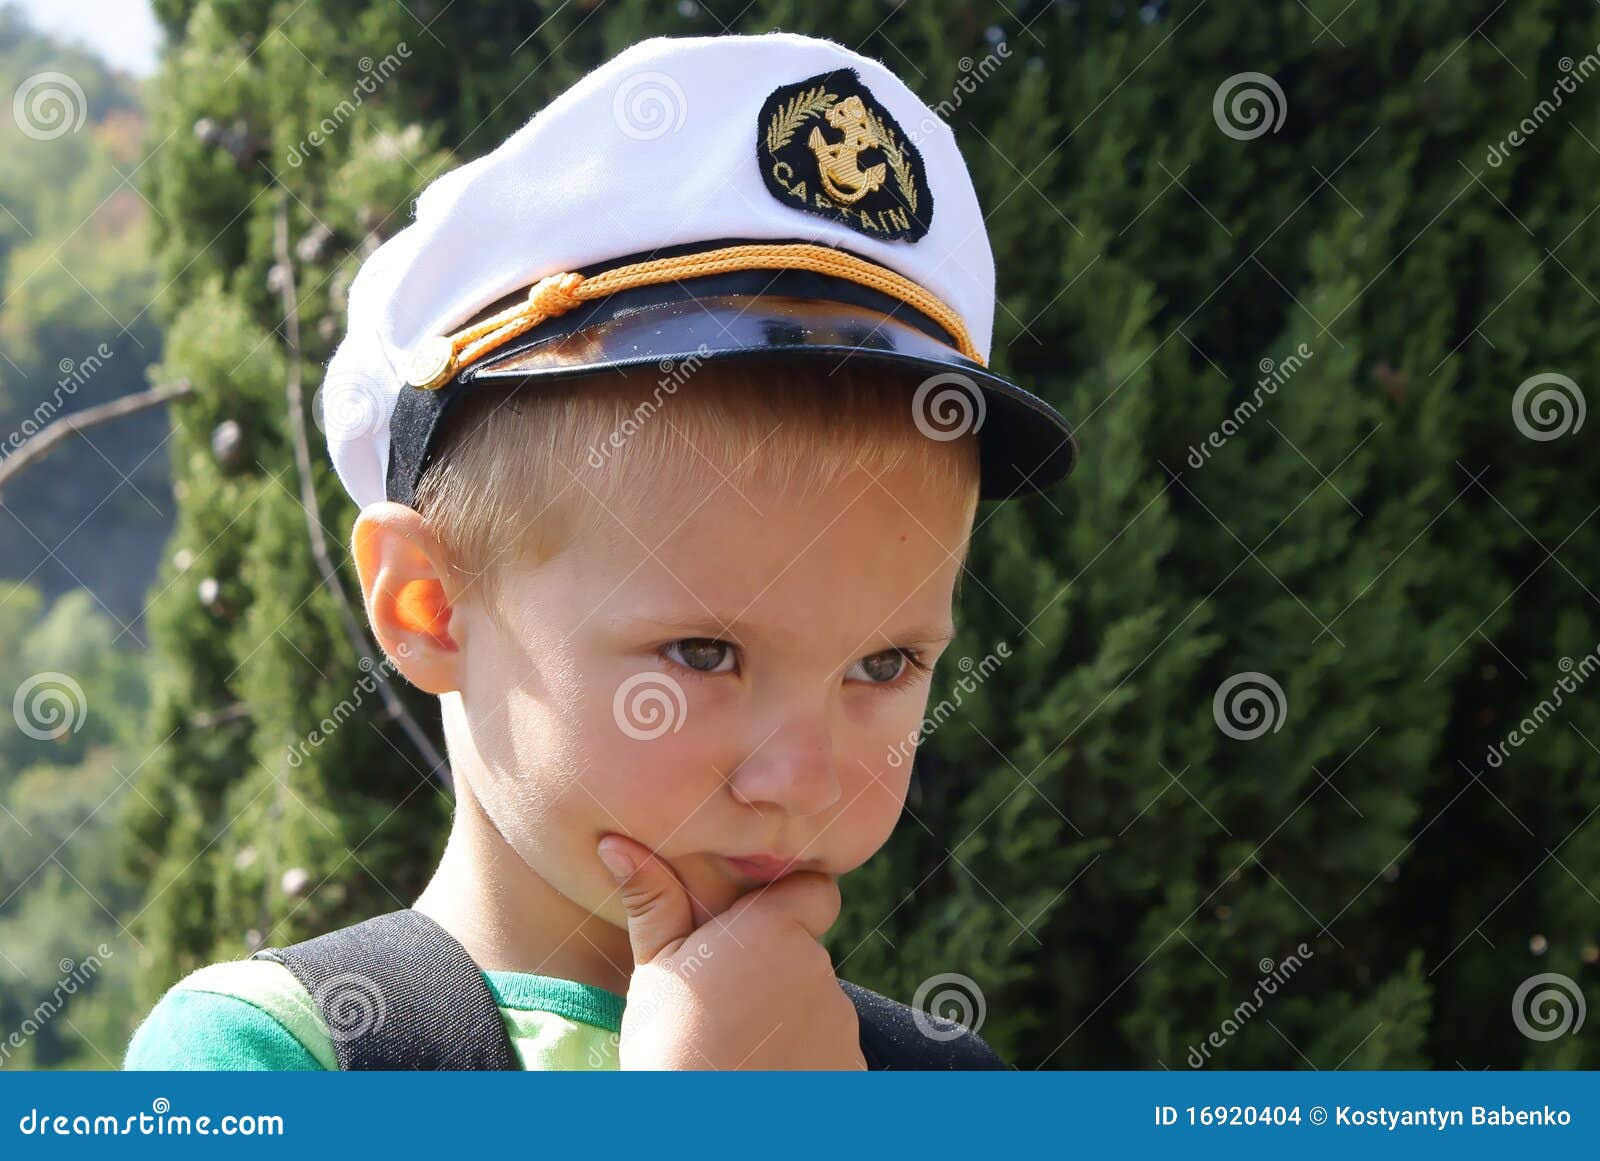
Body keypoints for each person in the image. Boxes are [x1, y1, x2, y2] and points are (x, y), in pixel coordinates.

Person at [124, 28, 1077, 1071]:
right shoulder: (276, 1053)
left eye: (882, 666)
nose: (799, 778)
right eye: (704, 655)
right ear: (428, 605)